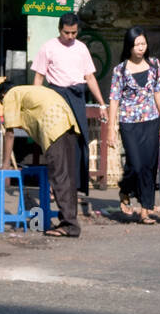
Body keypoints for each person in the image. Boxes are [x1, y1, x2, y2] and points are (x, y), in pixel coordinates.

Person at [32, 13, 107, 205]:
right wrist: (36, 103)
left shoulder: (81, 48)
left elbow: (90, 77)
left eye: (74, 32)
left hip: (77, 96)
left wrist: (101, 103)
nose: (71, 36)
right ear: (60, 30)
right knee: (57, 142)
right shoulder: (48, 47)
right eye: (67, 33)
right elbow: (39, 78)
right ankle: (53, 186)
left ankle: (73, 187)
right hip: (56, 96)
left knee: (78, 141)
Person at [0, 79, 81, 238]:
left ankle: (69, 224)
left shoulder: (11, 95)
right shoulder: (28, 91)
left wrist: (5, 164)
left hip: (54, 125)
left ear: (3, 95)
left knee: (59, 177)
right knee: (67, 177)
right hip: (67, 121)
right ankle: (70, 222)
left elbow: (9, 133)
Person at [107, 27, 160, 224]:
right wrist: (111, 127)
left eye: (143, 44)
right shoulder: (120, 70)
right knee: (135, 163)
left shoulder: (154, 65)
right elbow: (114, 99)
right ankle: (125, 189)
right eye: (137, 45)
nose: (141, 48)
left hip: (151, 120)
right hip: (128, 122)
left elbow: (158, 91)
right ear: (129, 46)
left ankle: (145, 210)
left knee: (149, 166)